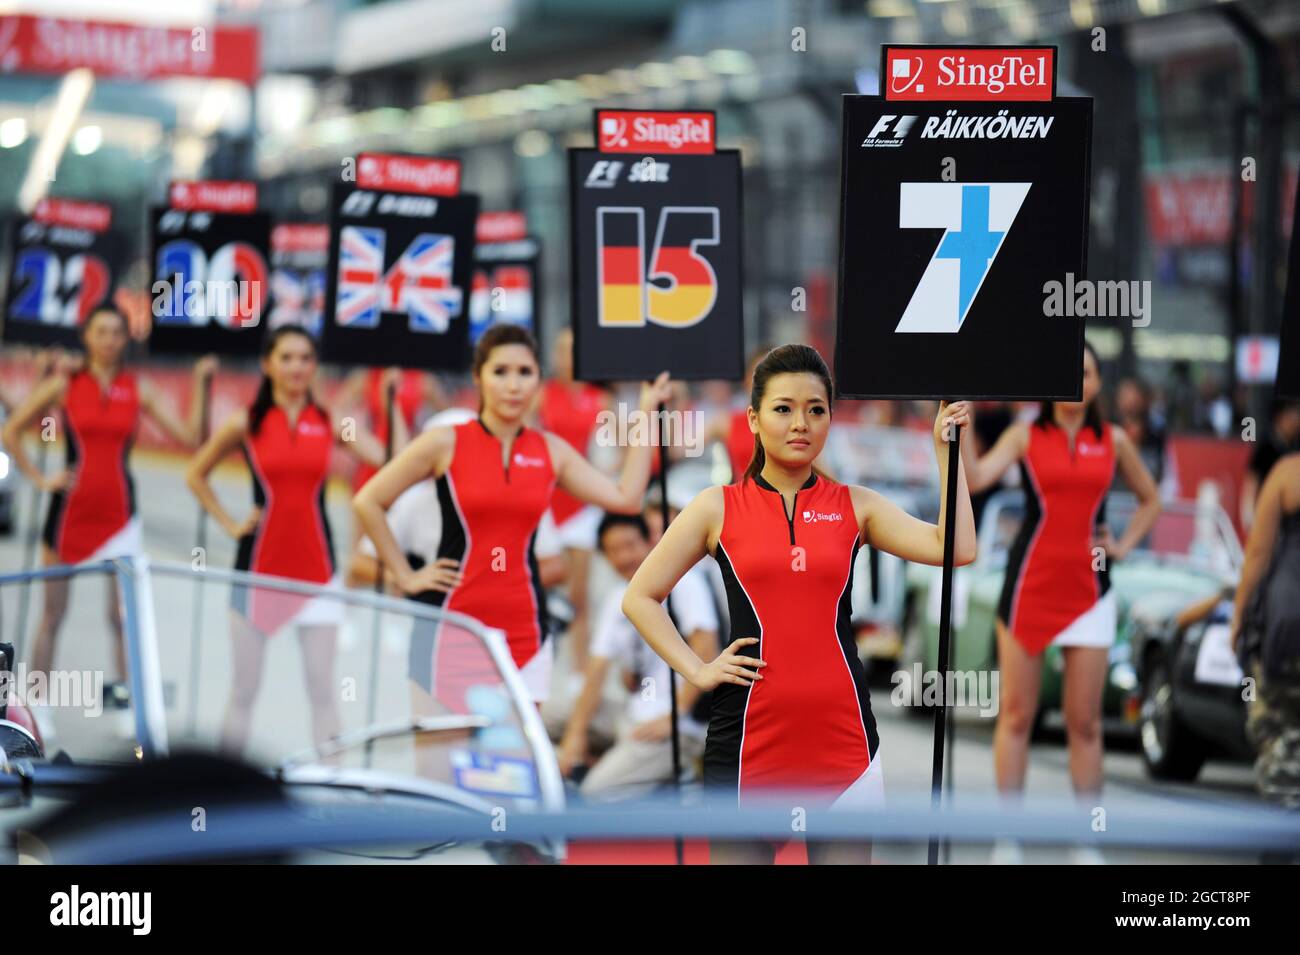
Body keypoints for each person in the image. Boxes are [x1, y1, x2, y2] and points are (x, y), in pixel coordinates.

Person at [621, 344, 976, 864]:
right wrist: (696, 671)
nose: (800, 423)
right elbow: (640, 598)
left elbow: (957, 548)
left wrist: (948, 458)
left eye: (816, 409)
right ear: (753, 418)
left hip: (844, 745)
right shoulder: (716, 506)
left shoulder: (857, 505)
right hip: (745, 748)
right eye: (783, 408)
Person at [352, 323, 672, 711]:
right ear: (478, 377)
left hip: (525, 636)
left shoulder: (549, 451)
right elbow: (368, 501)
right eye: (500, 372)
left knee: (515, 769)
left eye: (525, 372)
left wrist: (645, 412)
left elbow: (627, 498)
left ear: (538, 379)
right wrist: (404, 574)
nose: (513, 385)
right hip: (452, 629)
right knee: (439, 768)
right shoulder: (444, 442)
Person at [961, 343, 1161, 820]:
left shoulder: (1114, 440)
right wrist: (959, 424)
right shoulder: (1025, 435)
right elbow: (974, 478)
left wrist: (1124, 545)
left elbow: (1151, 499)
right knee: (1016, 716)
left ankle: (1088, 838)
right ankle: (1008, 836)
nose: (1080, 382)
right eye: (1070, 373)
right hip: (1030, 585)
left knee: (1086, 724)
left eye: (1088, 373)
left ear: (1097, 383)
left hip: (1090, 590)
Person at [185, 325, 389, 755]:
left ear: (315, 366)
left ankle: (331, 787)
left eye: (305, 358)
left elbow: (386, 460)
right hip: (256, 569)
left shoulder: (332, 422)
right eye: (287, 357)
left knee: (322, 690)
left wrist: (392, 403)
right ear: (268, 364)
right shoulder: (247, 421)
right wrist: (229, 523)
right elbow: (195, 473)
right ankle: (224, 796)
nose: (297, 367)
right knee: (244, 689)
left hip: (318, 571)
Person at [2, 305, 214, 685]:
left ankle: (124, 706)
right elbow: (11, 428)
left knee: (122, 617)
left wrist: (200, 380)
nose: (109, 340)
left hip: (120, 516)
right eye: (101, 332)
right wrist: (41, 477)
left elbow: (189, 438)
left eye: (117, 332)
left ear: (125, 339)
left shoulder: (139, 388)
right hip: (68, 513)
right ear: (87, 336)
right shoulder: (64, 384)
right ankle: (40, 707)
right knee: (53, 614)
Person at [557, 512, 719, 801]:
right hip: (633, 711)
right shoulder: (617, 597)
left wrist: (673, 717)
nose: (623, 557)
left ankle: (648, 776)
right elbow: (597, 672)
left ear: (650, 542)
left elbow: (707, 649)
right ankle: (591, 763)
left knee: (596, 793)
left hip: (673, 721)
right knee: (550, 714)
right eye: (613, 550)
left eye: (630, 545)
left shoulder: (685, 583)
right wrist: (575, 736)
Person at [1232, 452, 1300, 809]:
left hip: (1287, 624)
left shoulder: (1288, 472)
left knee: (1278, 735)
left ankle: (1282, 834)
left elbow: (1257, 551)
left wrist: (1239, 616)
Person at [1241, 399, 1300, 534]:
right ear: (1280, 417)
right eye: (1293, 414)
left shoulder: (1295, 446)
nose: (1297, 420)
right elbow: (1252, 481)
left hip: (1289, 520)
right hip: (1267, 514)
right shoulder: (1266, 446)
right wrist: (1249, 516)